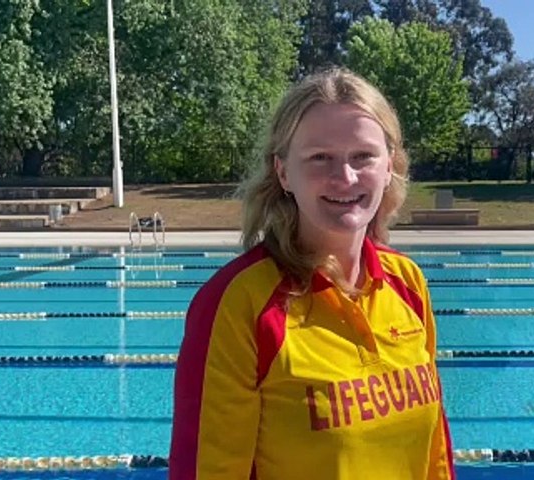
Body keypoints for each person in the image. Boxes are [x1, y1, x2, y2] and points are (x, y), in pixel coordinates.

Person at [169, 67, 455, 480]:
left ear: (389, 166)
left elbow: (435, 456)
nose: (345, 177)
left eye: (363, 156)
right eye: (320, 158)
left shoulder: (407, 283)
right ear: (284, 172)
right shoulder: (240, 303)